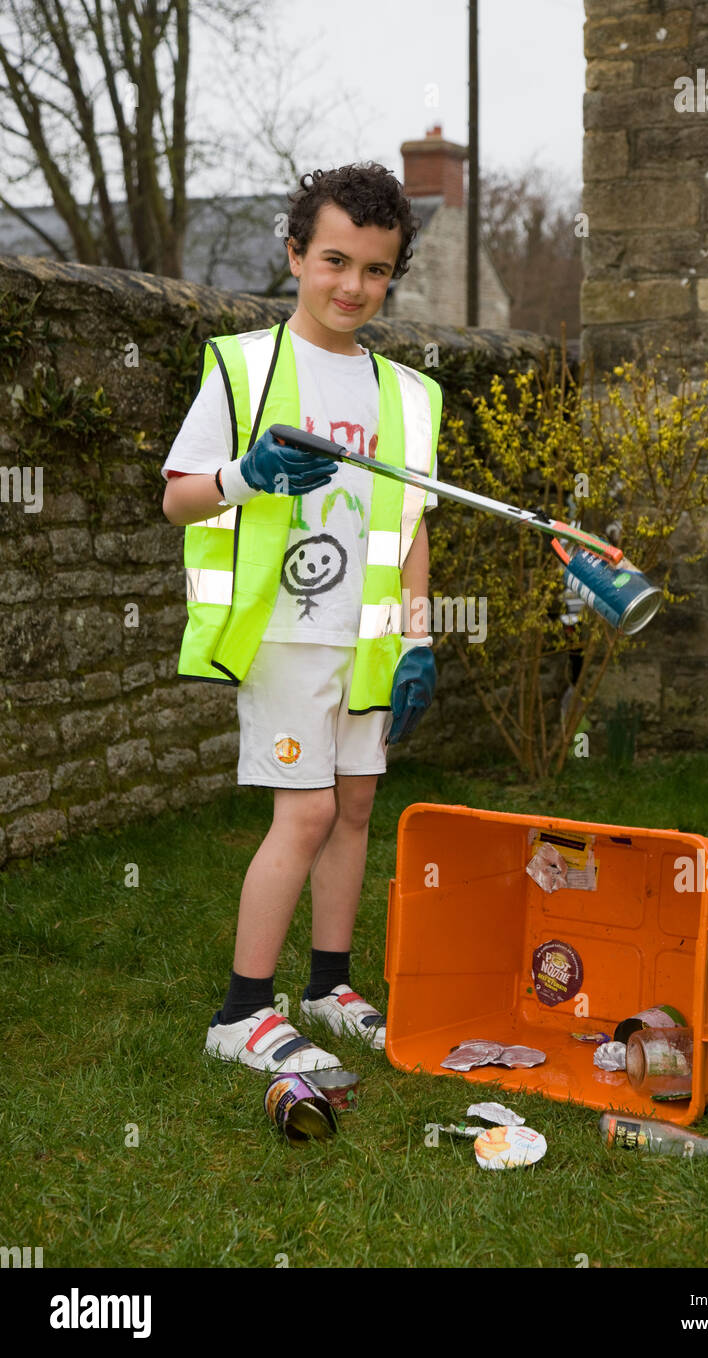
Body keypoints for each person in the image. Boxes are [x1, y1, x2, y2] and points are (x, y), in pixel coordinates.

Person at [161, 162, 441, 1074]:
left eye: (375, 270)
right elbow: (179, 500)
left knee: (356, 803)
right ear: (293, 255)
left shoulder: (406, 394)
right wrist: (249, 477)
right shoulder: (243, 368)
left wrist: (419, 635)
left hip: (366, 641)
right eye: (333, 261)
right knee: (308, 812)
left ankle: (327, 986)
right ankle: (242, 1012)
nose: (353, 286)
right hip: (281, 631)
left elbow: (410, 527)